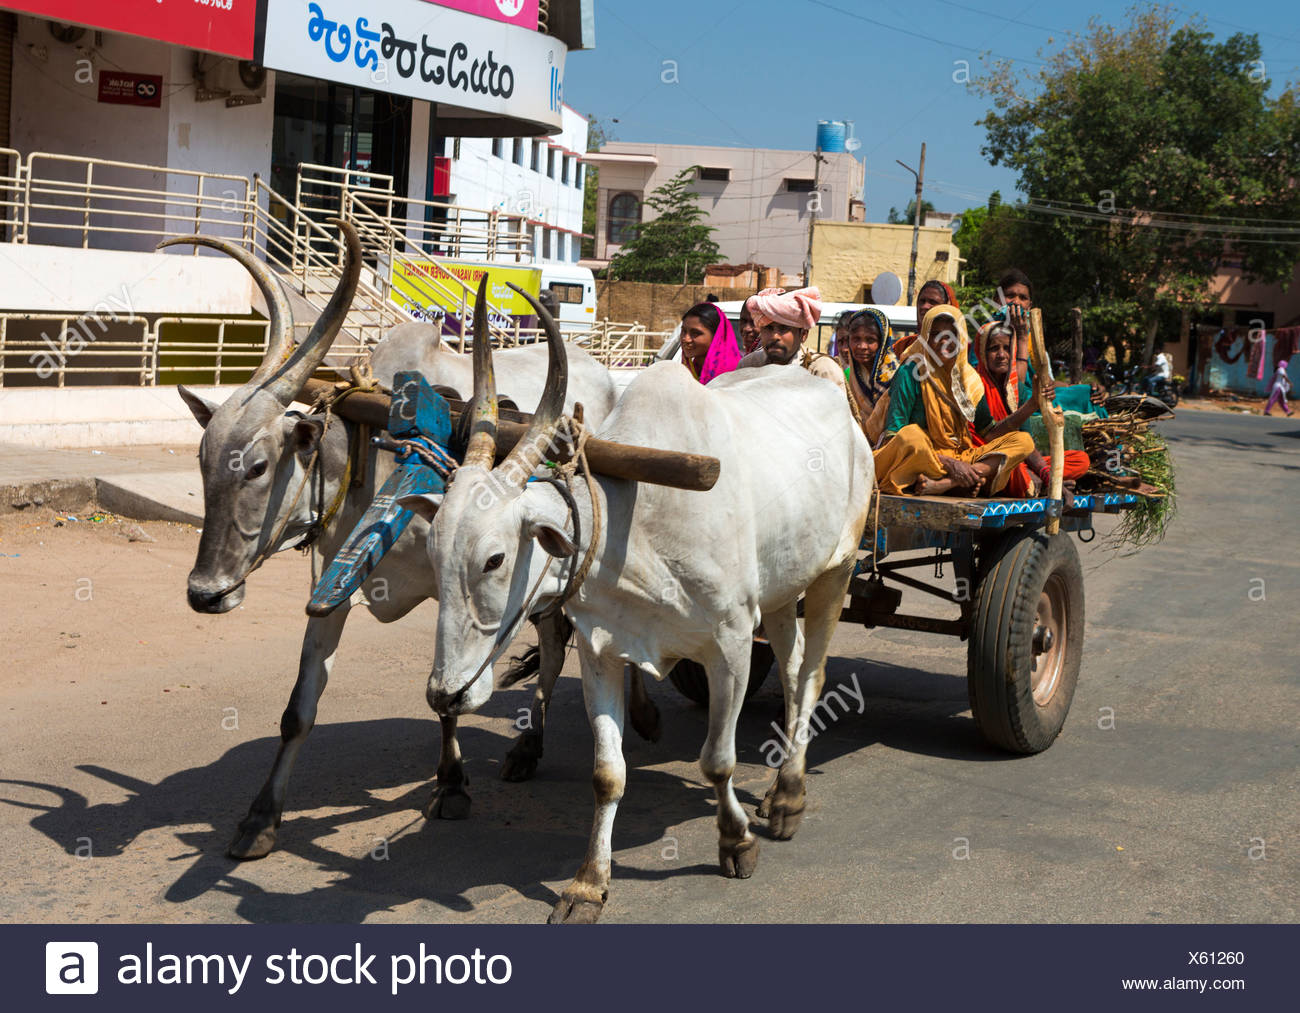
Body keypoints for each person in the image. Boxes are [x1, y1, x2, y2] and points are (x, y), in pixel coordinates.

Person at [874, 306, 1035, 496]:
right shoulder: (910, 372)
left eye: (950, 334)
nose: (944, 341)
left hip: (960, 457)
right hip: (922, 457)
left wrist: (1032, 405)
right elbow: (895, 434)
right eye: (935, 334)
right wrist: (951, 464)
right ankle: (963, 479)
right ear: (925, 337)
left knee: (1023, 441)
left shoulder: (969, 379)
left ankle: (948, 483)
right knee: (912, 436)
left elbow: (989, 433)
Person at [973, 321, 1091, 501]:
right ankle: (1031, 481)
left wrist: (1047, 476)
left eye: (1006, 348)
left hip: (1017, 459)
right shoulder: (974, 385)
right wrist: (1031, 405)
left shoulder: (1017, 389)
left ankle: (1035, 480)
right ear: (981, 352)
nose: (1001, 355)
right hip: (987, 460)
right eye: (994, 348)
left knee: (1081, 460)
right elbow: (989, 437)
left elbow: (1027, 443)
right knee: (1012, 471)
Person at [737, 286, 846, 390]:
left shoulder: (821, 370)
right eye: (768, 328)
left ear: (803, 334)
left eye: (784, 328)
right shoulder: (748, 366)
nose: (775, 336)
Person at [843, 308, 898, 443]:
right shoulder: (851, 376)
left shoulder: (895, 376)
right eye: (856, 339)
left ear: (882, 342)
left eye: (870, 340)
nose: (862, 346)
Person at [678, 301, 742, 384]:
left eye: (696, 333)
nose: (686, 339)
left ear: (717, 336)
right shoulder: (693, 371)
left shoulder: (731, 376)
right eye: (683, 331)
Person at [893, 279, 958, 361]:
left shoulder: (958, 349)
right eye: (922, 301)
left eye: (933, 302)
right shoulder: (903, 346)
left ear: (947, 308)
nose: (924, 306)